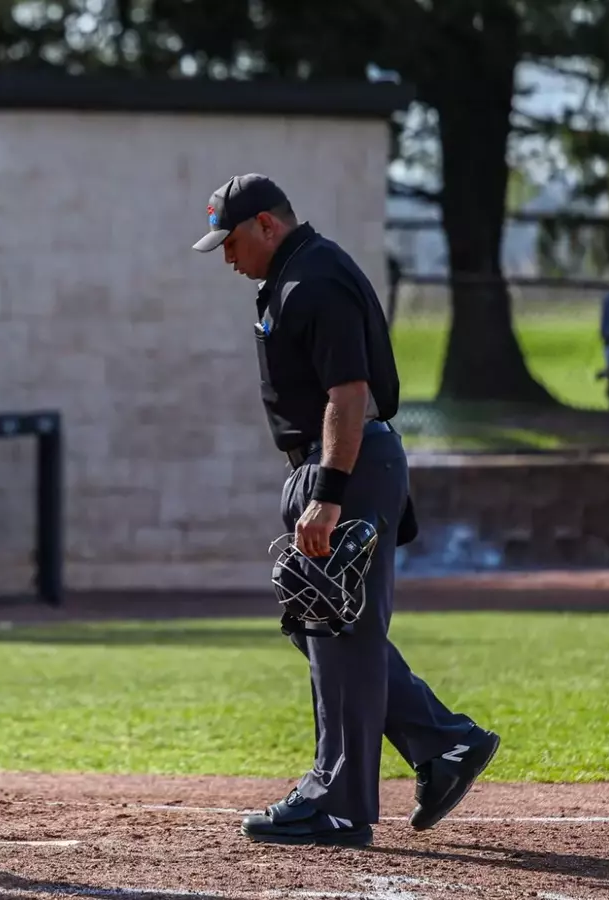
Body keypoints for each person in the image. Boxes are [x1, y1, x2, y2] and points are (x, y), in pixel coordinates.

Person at [192, 173, 500, 846]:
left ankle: (338, 801)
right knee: (321, 624)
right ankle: (445, 742)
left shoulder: (315, 281)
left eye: (233, 241)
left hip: (346, 467)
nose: (228, 257)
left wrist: (328, 496)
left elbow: (348, 396)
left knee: (339, 629)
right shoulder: (298, 275)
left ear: (268, 225)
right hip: (334, 465)